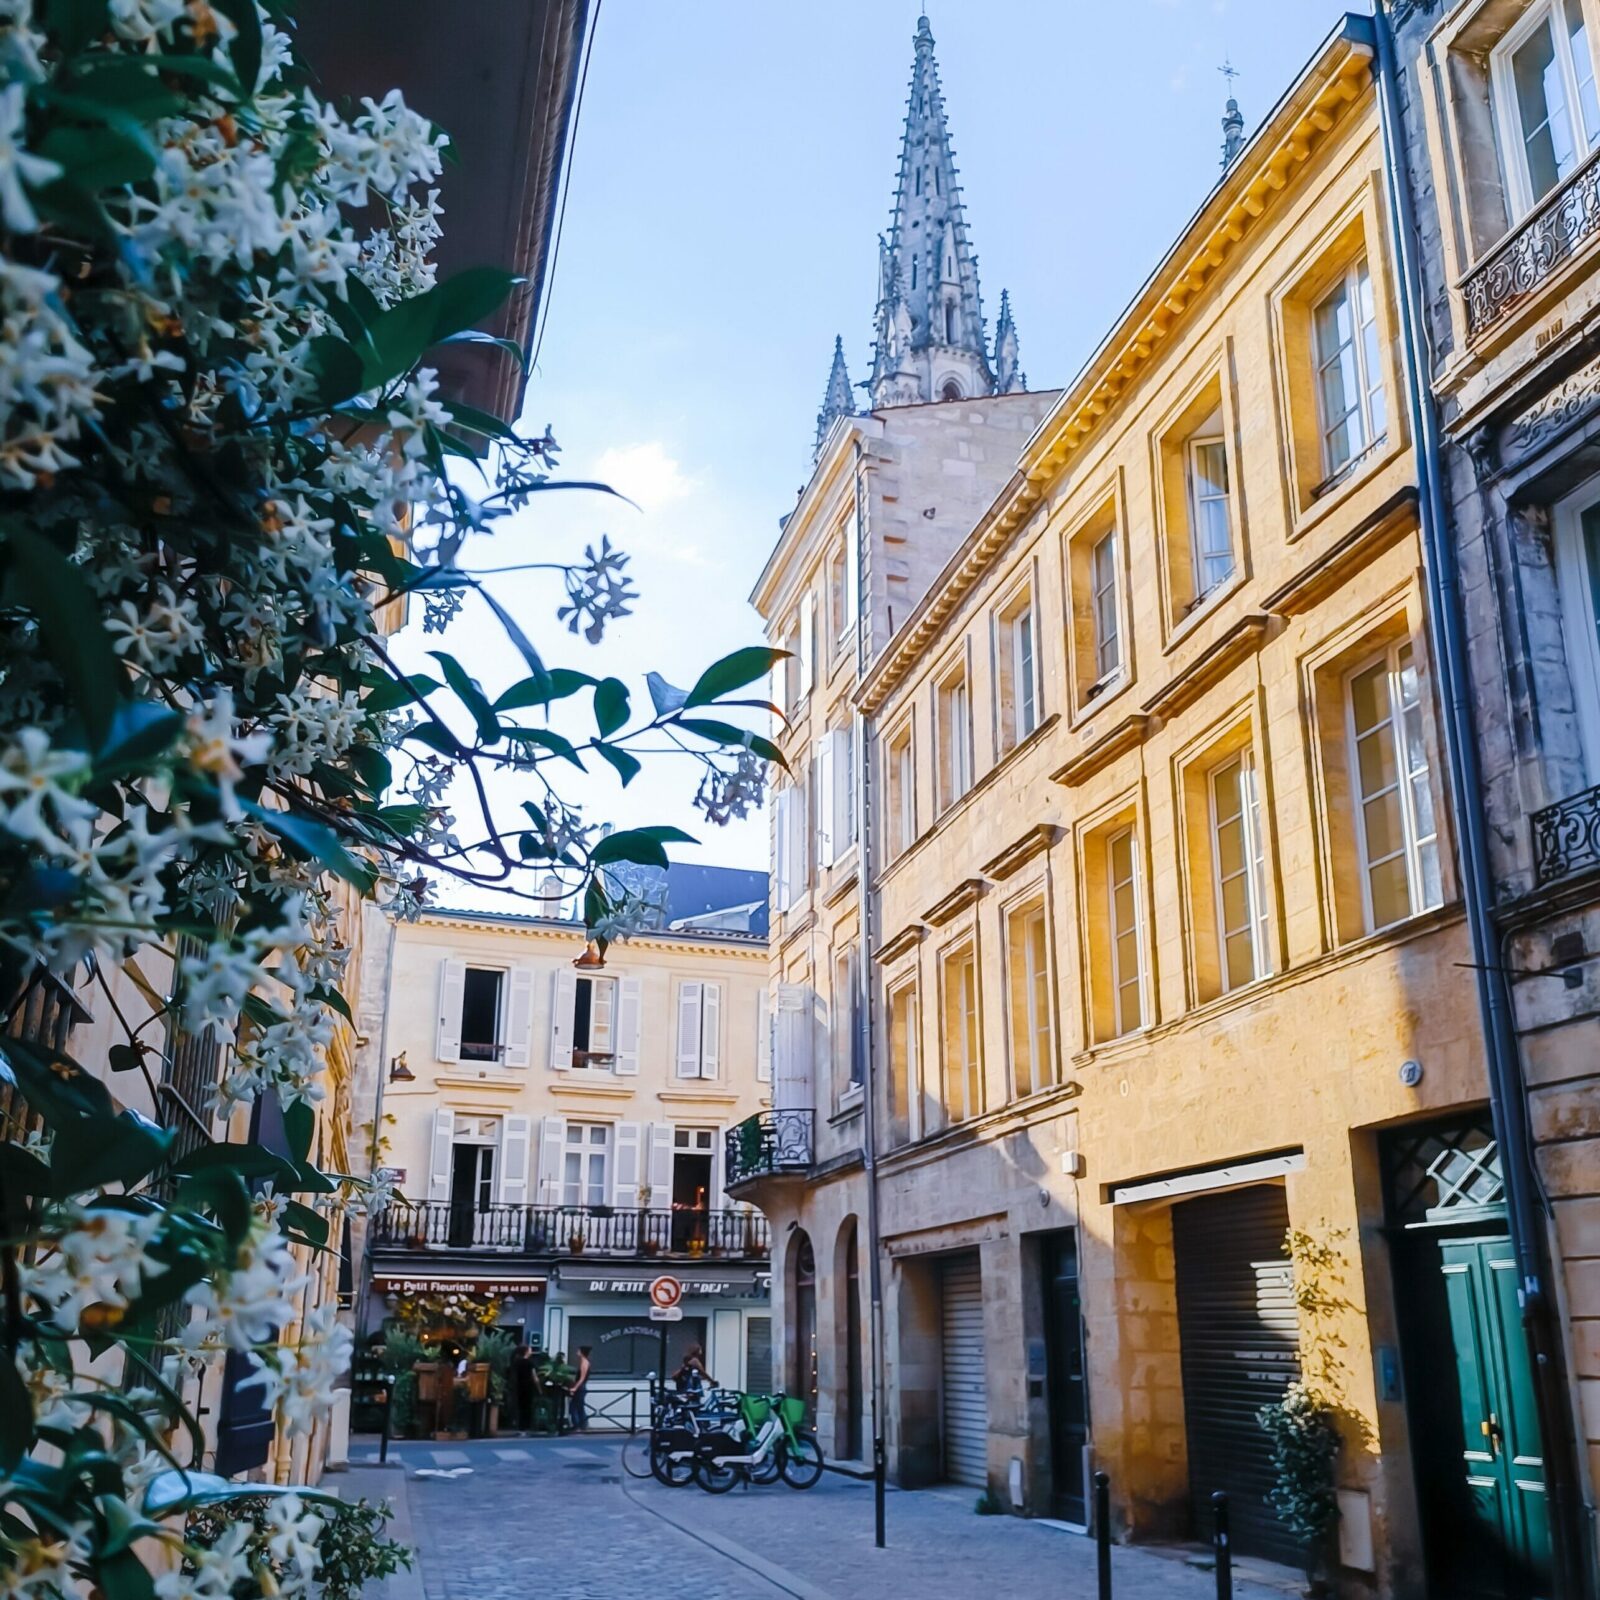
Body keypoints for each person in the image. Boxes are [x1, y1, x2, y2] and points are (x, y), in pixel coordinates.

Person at [569, 1345, 592, 1432]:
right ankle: (582, 1425)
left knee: (574, 1407)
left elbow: (582, 1378)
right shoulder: (584, 1362)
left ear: (582, 1352)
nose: (577, 1352)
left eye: (578, 1350)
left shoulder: (584, 1363)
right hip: (581, 1386)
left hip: (580, 1387)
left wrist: (575, 1387)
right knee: (579, 1406)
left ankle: (577, 1425)